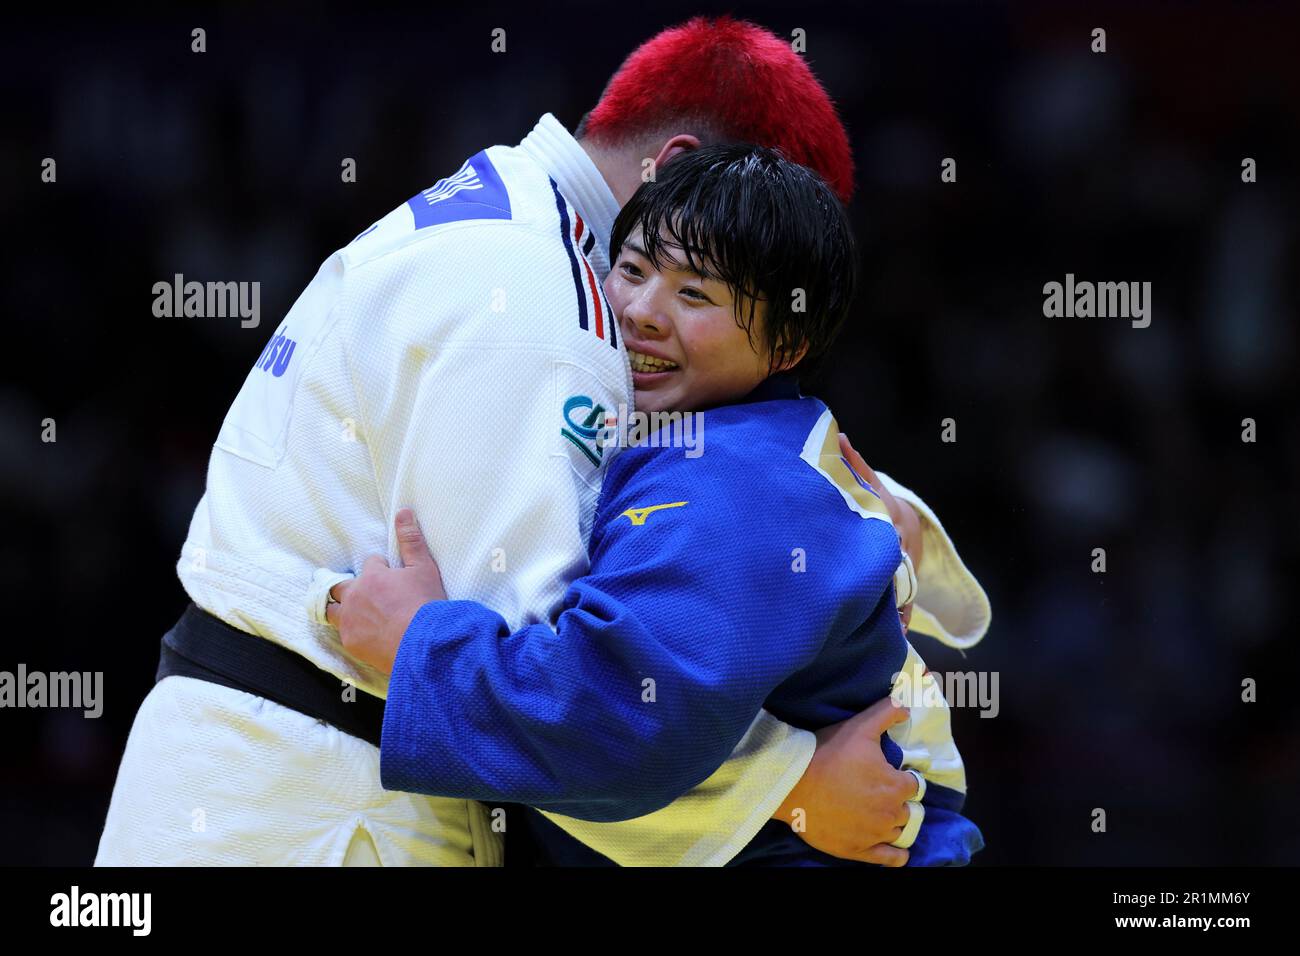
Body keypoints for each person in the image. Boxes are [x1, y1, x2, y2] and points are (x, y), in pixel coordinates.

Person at [95, 16, 989, 867]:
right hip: (308, 805)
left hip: (279, 783)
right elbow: (571, 694)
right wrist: (789, 791)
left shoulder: (502, 218)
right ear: (680, 166)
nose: (646, 305)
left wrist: (873, 518)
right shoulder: (540, 300)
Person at [332, 144, 985, 866]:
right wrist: (795, 786)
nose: (641, 312)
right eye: (634, 271)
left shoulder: (733, 484)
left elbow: (615, 721)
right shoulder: (758, 451)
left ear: (788, 341)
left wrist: (418, 648)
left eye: (694, 295)